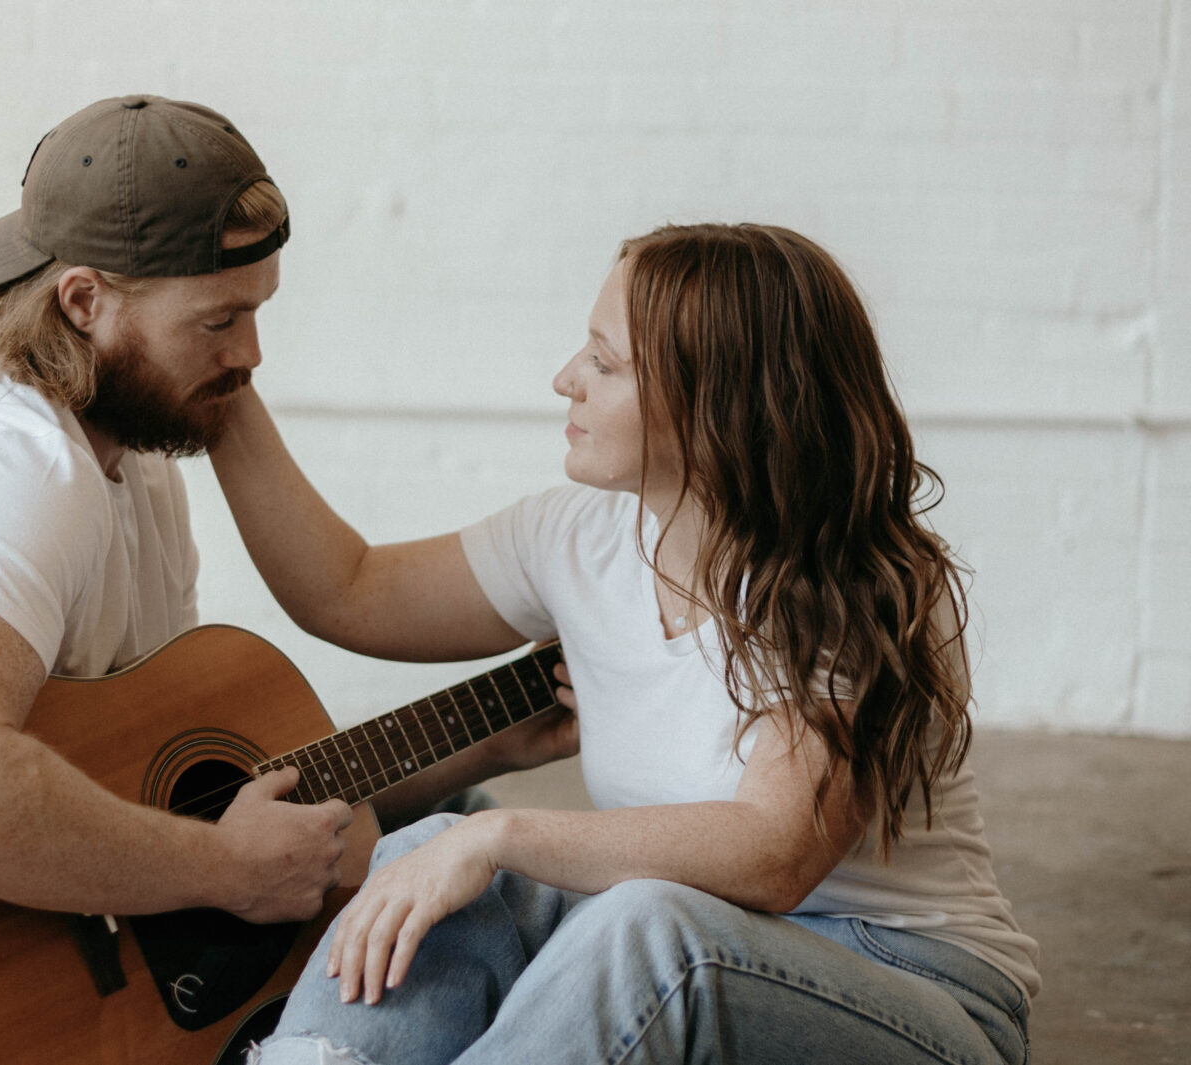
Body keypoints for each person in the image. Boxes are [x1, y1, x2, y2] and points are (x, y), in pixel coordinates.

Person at [208, 222, 1039, 1064]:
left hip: (913, 991)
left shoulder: (850, 583)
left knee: (645, 923)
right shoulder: (581, 536)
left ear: (714, 403)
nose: (565, 378)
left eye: (604, 363)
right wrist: (216, 374)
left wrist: (497, 835)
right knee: (426, 856)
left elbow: (775, 852)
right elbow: (348, 592)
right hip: (702, 949)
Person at [0, 95, 563, 926]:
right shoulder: (19, 472)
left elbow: (180, 796)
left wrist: (488, 737)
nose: (250, 354)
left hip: (55, 922)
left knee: (461, 816)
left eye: (256, 310)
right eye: (219, 320)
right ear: (82, 302)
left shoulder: (137, 465)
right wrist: (228, 870)